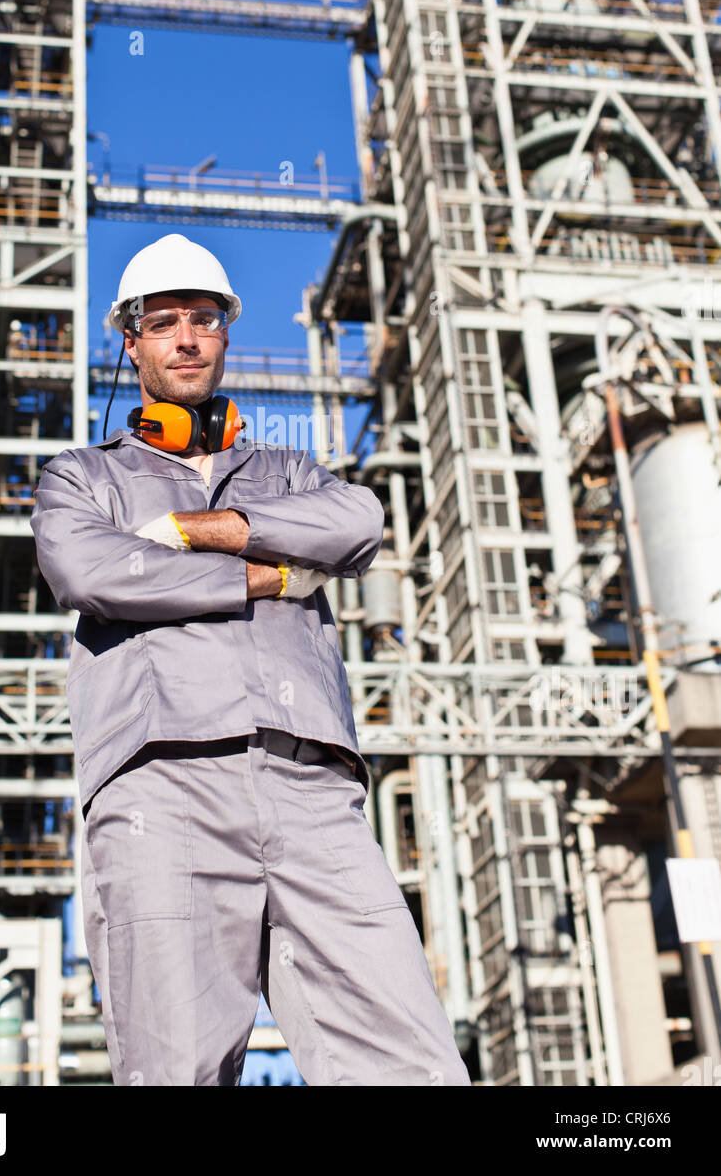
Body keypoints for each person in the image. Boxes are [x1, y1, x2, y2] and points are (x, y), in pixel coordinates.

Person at [30, 232, 471, 1088]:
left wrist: (209, 531)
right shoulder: (82, 479)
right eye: (164, 324)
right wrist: (272, 575)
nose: (186, 338)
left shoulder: (288, 469)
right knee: (176, 1069)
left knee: (414, 1065)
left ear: (226, 333)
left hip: (312, 790)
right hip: (163, 786)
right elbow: (91, 569)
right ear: (132, 342)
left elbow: (356, 524)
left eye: (203, 319)